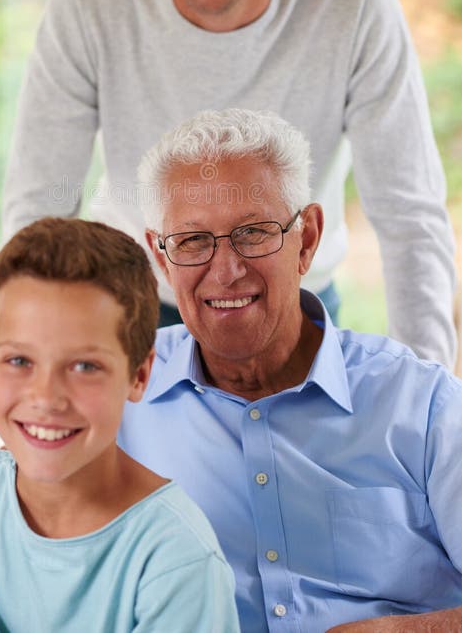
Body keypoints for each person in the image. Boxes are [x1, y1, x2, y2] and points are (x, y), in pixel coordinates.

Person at [1, 0, 457, 368]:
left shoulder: (352, 2)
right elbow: (44, 201)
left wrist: (428, 399)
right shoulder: (95, 1)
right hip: (140, 312)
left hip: (292, 311)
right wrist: (28, 361)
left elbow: (407, 215)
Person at [116, 107, 462, 633]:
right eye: (192, 242)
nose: (227, 271)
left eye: (253, 233)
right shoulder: (111, 393)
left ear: (308, 239)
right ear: (162, 260)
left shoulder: (425, 405)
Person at [0, 218, 239, 633]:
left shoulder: (175, 558)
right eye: (19, 361)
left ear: (138, 375)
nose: (46, 397)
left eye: (84, 366)